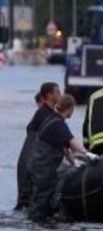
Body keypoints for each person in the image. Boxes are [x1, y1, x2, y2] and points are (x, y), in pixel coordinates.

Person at [28, 94, 93, 222]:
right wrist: (88, 153)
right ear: (69, 108)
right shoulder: (57, 123)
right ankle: (37, 228)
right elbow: (71, 141)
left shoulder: (53, 119)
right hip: (43, 169)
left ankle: (41, 222)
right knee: (41, 202)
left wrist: (75, 163)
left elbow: (65, 149)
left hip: (39, 167)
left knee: (41, 199)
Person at [15, 82, 62, 210]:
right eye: (58, 92)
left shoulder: (45, 114)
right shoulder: (45, 115)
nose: (60, 95)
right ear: (48, 95)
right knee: (30, 203)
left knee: (25, 204)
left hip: (28, 164)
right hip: (31, 166)